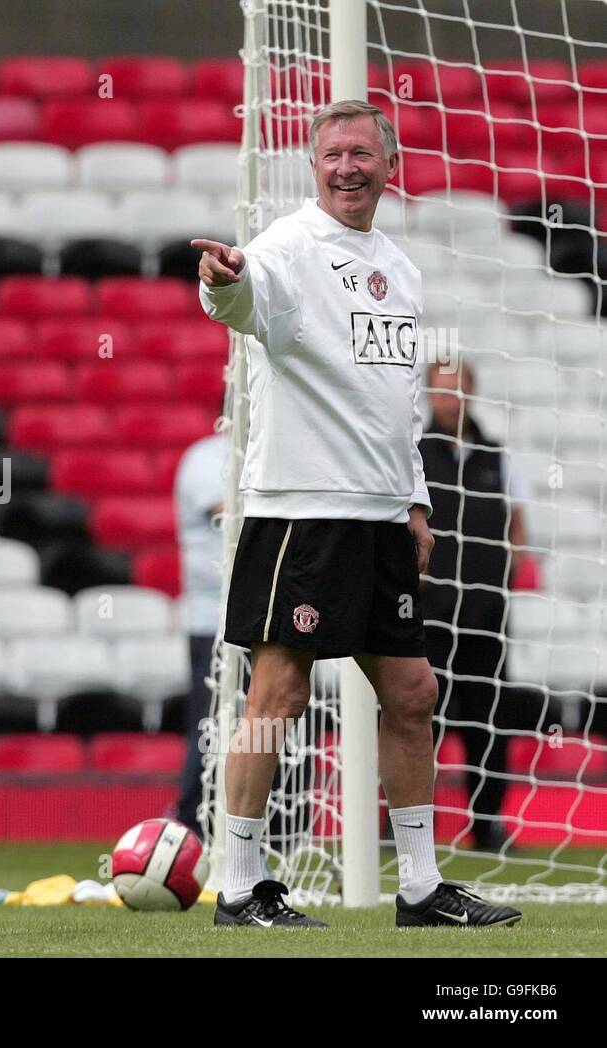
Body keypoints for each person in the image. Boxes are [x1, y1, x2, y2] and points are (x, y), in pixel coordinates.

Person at [193, 99, 521, 928]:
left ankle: (418, 888)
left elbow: (393, 400)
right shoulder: (283, 250)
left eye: (362, 154)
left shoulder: (398, 268)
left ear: (389, 164)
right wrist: (220, 283)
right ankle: (239, 884)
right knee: (279, 694)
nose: (348, 167)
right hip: (303, 511)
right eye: (334, 152)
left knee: (412, 692)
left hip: (379, 516)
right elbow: (241, 301)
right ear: (315, 164)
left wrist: (413, 496)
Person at [420, 359, 530, 851]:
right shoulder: (413, 454)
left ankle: (486, 827)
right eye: (442, 392)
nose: (451, 401)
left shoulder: (499, 455)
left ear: (472, 394)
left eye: (459, 391)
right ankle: (403, 827)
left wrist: (503, 575)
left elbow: (518, 525)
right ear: (427, 396)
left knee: (488, 723)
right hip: (429, 615)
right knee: (418, 718)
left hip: (486, 616)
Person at [172, 432, 230, 829]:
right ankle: (191, 820)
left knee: (272, 727)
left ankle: (278, 830)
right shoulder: (207, 458)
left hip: (267, 614)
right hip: (213, 619)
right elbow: (227, 511)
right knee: (210, 725)